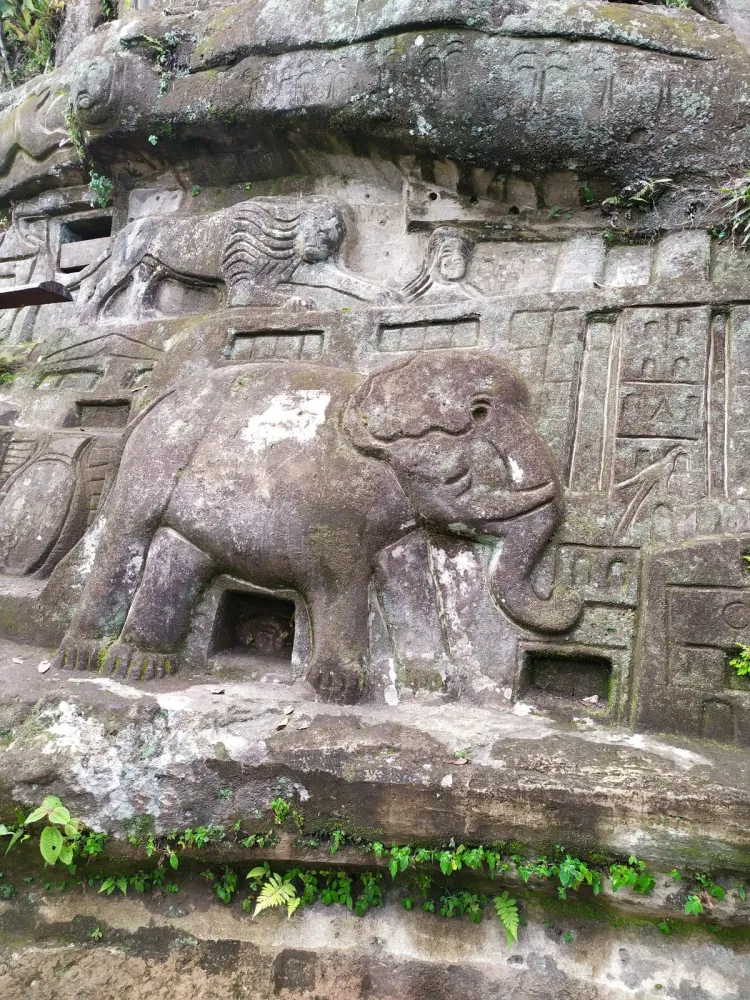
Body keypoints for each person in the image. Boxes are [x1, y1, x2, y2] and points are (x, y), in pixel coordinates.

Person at [403, 226, 482, 303]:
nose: (458, 258)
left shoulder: (475, 297)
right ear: (435, 258)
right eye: (447, 252)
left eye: (463, 253)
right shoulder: (419, 299)